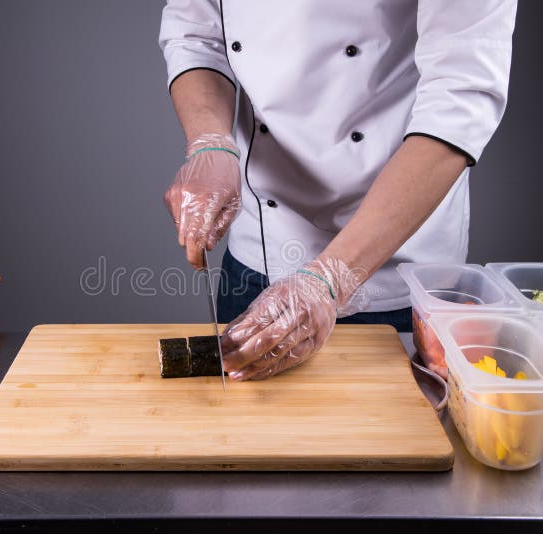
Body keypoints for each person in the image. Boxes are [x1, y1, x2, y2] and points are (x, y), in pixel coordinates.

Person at [159, 1, 517, 381]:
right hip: (258, 256)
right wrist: (210, 141)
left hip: (399, 270)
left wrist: (332, 278)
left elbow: (461, 97)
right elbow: (197, 35)